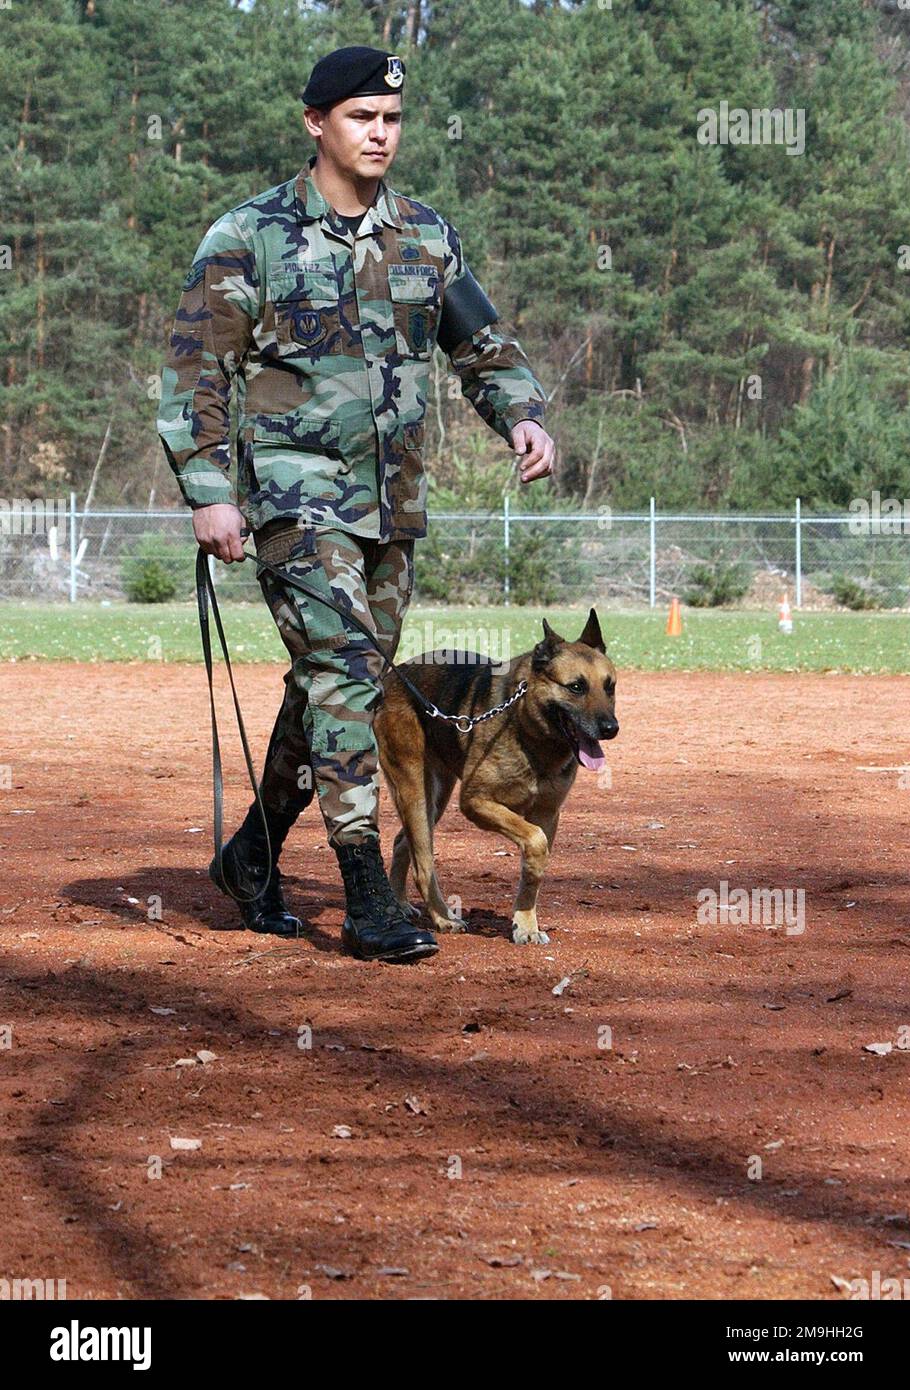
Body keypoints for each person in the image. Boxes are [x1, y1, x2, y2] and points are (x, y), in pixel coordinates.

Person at [156, 44, 555, 963]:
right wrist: (210, 492)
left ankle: (253, 853)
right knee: (344, 676)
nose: (380, 134)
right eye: (361, 118)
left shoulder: (423, 233)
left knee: (341, 684)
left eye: (392, 119)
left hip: (392, 505)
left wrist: (523, 415)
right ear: (315, 124)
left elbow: (481, 345)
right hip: (295, 502)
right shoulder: (246, 236)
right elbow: (193, 377)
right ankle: (368, 892)